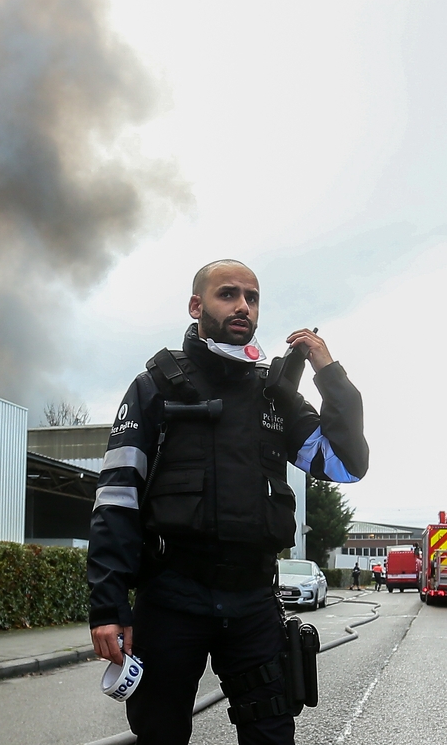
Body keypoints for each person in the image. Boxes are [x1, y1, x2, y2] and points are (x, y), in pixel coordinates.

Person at [87, 260, 369, 745]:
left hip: (253, 602)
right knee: (159, 734)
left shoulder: (274, 395)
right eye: (229, 294)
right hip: (172, 596)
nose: (243, 306)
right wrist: (108, 607)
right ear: (197, 306)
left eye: (252, 297)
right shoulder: (154, 386)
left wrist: (328, 372)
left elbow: (346, 463)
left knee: (272, 734)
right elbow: (116, 499)